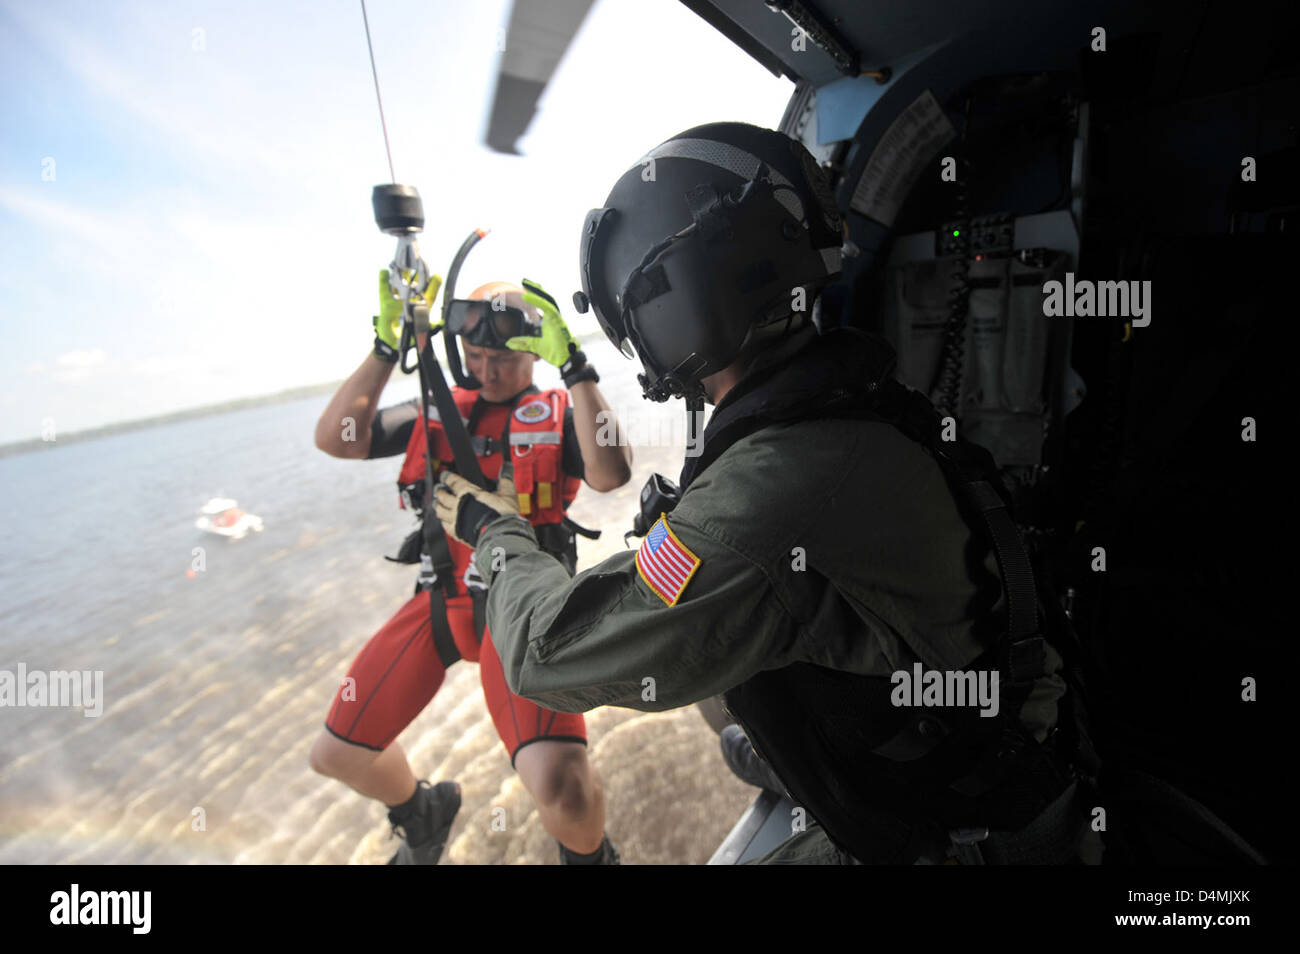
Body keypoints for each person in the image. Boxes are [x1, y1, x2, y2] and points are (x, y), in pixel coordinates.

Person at [433, 122, 1092, 865]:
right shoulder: (848, 397)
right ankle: (791, 767)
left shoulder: (772, 488)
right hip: (1004, 748)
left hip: (979, 835)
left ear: (667, 303)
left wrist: (496, 532)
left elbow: (545, 653)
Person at [309, 271, 632, 865]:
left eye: (502, 359)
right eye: (475, 356)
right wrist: (386, 347)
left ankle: (589, 857)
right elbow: (338, 438)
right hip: (441, 602)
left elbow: (612, 474)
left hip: (523, 616)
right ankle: (422, 813)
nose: (487, 371)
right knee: (336, 754)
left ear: (533, 351)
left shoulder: (558, 412)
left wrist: (577, 367)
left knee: (569, 797)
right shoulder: (435, 408)